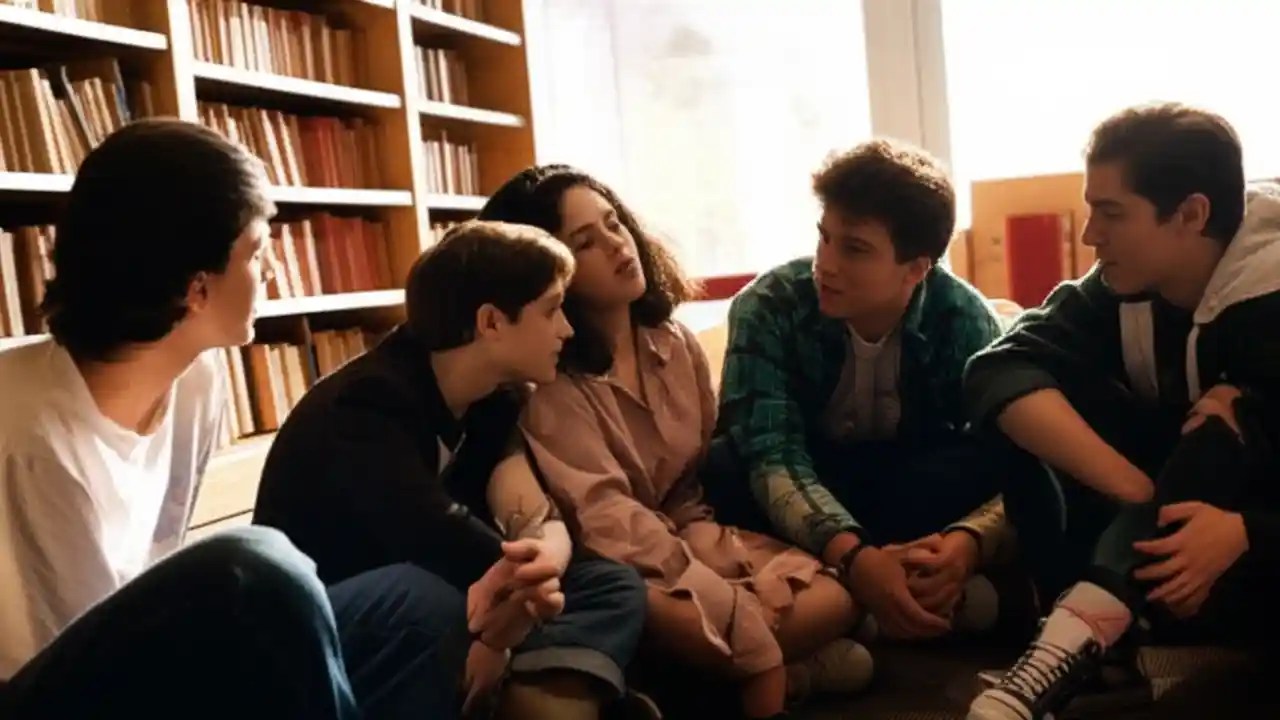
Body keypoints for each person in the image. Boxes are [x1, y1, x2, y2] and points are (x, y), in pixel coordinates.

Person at [0, 120, 458, 719]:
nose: (272, 271)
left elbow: (157, 562)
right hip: (47, 688)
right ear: (196, 288)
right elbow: (64, 654)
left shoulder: (198, 380)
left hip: (140, 657)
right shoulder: (28, 432)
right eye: (257, 252)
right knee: (255, 566)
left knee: (416, 602)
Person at [479, 164, 872, 720]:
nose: (616, 245)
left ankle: (729, 680)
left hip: (689, 528)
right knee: (719, 625)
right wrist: (725, 603)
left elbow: (693, 484)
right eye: (585, 242)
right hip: (623, 565)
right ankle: (761, 671)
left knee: (838, 598)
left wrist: (720, 569)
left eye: (614, 223)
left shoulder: (674, 341)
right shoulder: (550, 380)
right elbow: (607, 521)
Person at [253, 220, 650, 720]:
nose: (566, 329)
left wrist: (534, 575)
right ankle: (541, 688)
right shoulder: (367, 404)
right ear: (491, 322)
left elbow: (534, 514)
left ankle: (531, 694)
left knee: (612, 582)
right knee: (426, 598)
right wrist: (503, 623)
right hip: (328, 617)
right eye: (552, 310)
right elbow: (436, 538)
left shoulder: (493, 397)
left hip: (451, 585)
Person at [965, 102, 1280, 720]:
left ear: (1191, 214)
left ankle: (1069, 646)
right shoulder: (1124, 285)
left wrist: (1246, 533)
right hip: (1175, 545)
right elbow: (995, 369)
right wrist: (1142, 497)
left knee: (1231, 417)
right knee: (1030, 404)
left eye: (1111, 214)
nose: (1089, 236)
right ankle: (1086, 643)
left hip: (1251, 541)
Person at [710, 139, 1015, 645]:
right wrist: (855, 556)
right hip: (810, 480)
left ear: (916, 269)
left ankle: (886, 592)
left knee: (980, 465)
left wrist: (968, 543)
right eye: (823, 238)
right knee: (724, 467)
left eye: (854, 249)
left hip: (905, 484)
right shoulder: (769, 305)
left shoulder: (962, 317)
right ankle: (880, 596)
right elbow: (772, 455)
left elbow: (1014, 460)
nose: (825, 264)